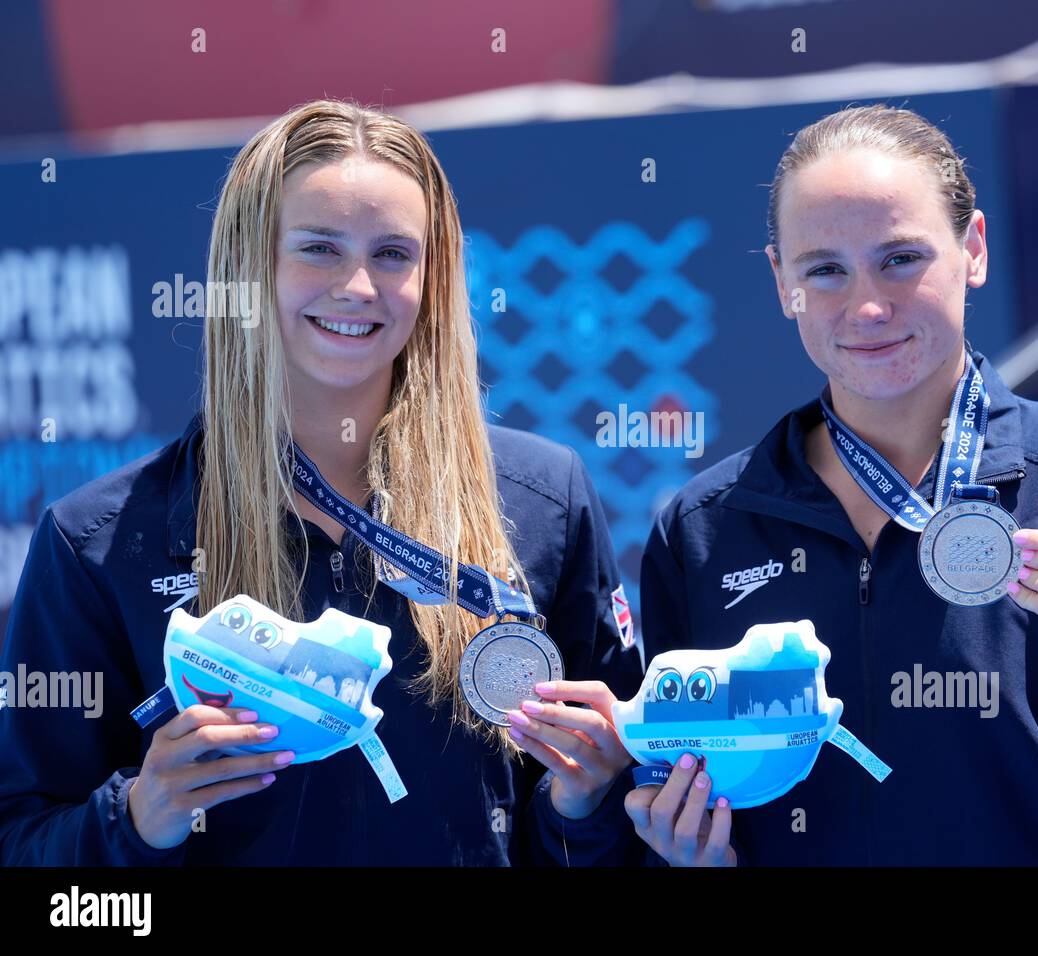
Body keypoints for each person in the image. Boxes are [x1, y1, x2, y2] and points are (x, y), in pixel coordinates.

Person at [521, 103, 1038, 865]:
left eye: (900, 258)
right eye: (825, 270)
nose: (867, 306)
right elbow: (668, 815)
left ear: (974, 249)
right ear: (780, 280)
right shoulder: (703, 530)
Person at [0, 99, 640, 866]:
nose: (359, 286)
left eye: (394, 254)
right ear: (248, 265)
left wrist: (585, 807)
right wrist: (135, 820)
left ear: (433, 281)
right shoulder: (99, 546)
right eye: (319, 248)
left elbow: (619, 830)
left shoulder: (542, 500)